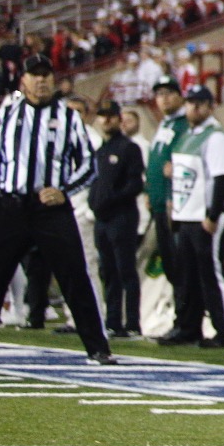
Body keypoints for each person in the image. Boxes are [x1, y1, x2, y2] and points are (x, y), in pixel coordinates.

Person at [0, 55, 117, 365]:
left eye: (46, 74)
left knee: (74, 275)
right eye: (35, 74)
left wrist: (64, 190)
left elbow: (89, 164)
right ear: (24, 80)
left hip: (51, 209)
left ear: (54, 80)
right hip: (11, 205)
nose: (41, 80)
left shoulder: (68, 117)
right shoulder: (8, 114)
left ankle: (97, 347)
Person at [163, 85, 224, 348]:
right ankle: (188, 327)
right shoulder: (188, 135)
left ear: (210, 106)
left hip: (207, 214)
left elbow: (221, 178)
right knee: (188, 275)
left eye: (200, 103)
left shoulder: (215, 137)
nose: (194, 107)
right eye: (190, 102)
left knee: (211, 273)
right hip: (189, 213)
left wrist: (213, 215)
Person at [88, 101, 145, 340]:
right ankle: (112, 321)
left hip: (122, 216)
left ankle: (132, 323)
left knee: (125, 270)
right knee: (108, 271)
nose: (106, 120)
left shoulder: (128, 148)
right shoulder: (101, 150)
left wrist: (110, 200)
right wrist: (95, 202)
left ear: (119, 119)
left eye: (110, 116)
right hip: (102, 218)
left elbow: (135, 184)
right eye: (102, 116)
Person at [143, 78, 191, 336]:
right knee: (171, 265)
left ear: (180, 96)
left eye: (169, 93)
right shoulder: (165, 124)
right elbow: (156, 164)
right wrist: (150, 192)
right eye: (159, 94)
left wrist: (172, 198)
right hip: (159, 205)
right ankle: (180, 318)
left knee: (180, 265)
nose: (164, 99)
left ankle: (185, 321)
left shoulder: (184, 125)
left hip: (175, 206)